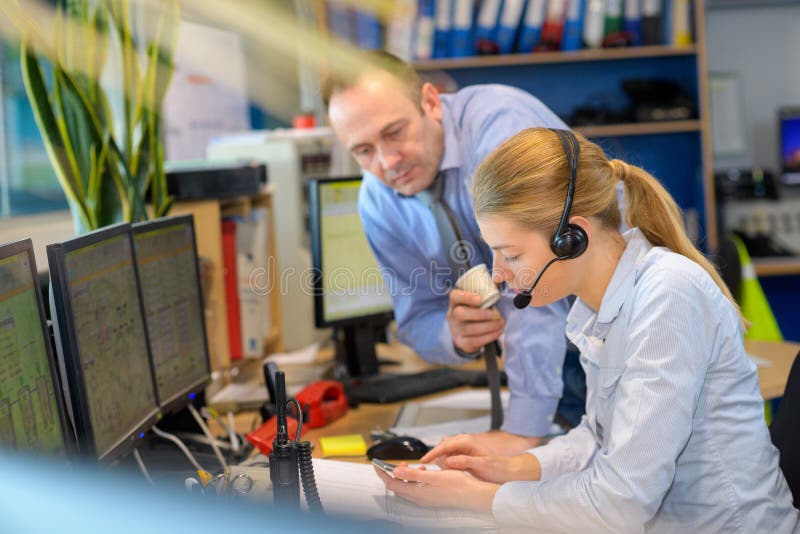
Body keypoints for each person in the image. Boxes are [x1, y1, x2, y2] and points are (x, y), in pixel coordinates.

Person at [374, 127, 800, 532]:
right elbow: (598, 440)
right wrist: (508, 466)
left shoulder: (668, 295)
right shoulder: (596, 304)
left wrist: (476, 497)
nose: (499, 275)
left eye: (512, 254)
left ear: (572, 237)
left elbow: (621, 503)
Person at [322, 51, 583, 453]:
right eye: (363, 151)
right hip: (548, 368)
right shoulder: (378, 202)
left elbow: (535, 285)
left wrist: (522, 432)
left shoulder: (500, 128)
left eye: (394, 132)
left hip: (626, 335)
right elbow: (416, 317)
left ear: (430, 101)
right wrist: (455, 335)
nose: (387, 162)